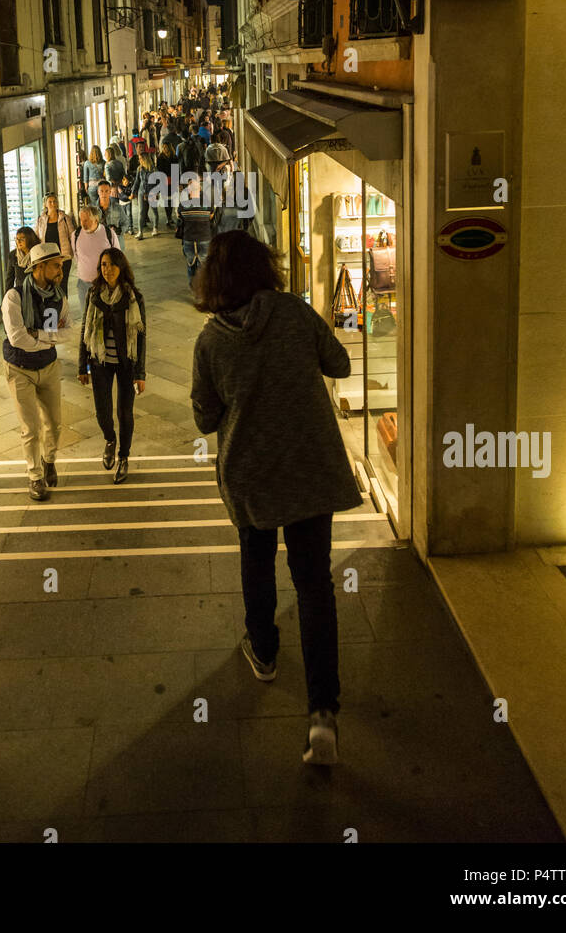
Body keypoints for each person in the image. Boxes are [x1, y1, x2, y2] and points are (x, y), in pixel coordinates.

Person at [190, 231, 364, 767]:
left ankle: (263, 650)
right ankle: (322, 714)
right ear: (264, 268)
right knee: (314, 585)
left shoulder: (211, 341)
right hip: (309, 468)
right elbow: (341, 363)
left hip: (251, 475)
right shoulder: (293, 312)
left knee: (257, 560)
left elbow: (205, 417)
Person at [1, 241, 68, 501]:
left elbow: (68, 332)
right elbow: (17, 338)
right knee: (30, 428)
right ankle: (35, 477)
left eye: (60, 265)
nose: (60, 270)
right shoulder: (14, 297)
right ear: (39, 268)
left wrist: (40, 336)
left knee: (55, 423)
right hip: (19, 368)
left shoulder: (58, 296)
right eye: (55, 266)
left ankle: (48, 459)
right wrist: (49, 339)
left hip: (48, 366)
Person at [78, 248, 146, 485]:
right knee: (103, 412)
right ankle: (110, 439)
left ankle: (123, 457)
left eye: (112, 265)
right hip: (100, 363)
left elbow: (141, 337)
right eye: (104, 265)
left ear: (121, 268)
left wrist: (141, 374)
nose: (107, 270)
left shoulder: (133, 296)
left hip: (126, 363)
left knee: (124, 413)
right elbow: (84, 331)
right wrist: (81, 366)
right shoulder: (93, 294)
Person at [71, 205, 122, 313]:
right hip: (83, 285)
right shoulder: (75, 235)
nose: (82, 224)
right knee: (85, 316)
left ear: (96, 219)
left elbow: (118, 258)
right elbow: (77, 256)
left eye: (86, 220)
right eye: (81, 220)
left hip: (105, 284)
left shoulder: (109, 234)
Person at [176, 173, 217, 288]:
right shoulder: (207, 202)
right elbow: (211, 216)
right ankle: (203, 289)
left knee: (191, 266)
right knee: (204, 267)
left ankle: (194, 288)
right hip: (204, 238)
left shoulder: (183, 205)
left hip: (189, 239)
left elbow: (180, 217)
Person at [35, 193, 75, 297]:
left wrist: (75, 253)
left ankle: (63, 306)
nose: (53, 204)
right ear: (45, 204)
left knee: (62, 283)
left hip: (63, 257)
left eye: (55, 201)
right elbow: (37, 237)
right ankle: (52, 305)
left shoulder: (65, 218)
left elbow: (73, 236)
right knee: (49, 283)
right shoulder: (41, 220)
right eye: (50, 202)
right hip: (47, 258)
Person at [4, 226, 39, 295]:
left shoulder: (38, 252)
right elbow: (10, 279)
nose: (18, 241)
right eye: (17, 239)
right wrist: (7, 296)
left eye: (22, 239)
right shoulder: (13, 255)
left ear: (30, 239)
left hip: (37, 292)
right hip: (20, 292)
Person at [94, 179, 127, 251]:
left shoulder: (118, 207)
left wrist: (119, 230)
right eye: (101, 191)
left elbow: (125, 223)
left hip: (116, 245)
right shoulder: (93, 210)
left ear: (110, 192)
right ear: (98, 192)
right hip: (99, 246)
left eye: (106, 191)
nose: (104, 194)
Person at [130, 151, 157, 239]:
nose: (139, 160)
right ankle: (140, 232)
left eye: (141, 159)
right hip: (141, 192)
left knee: (154, 211)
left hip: (152, 192)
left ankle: (155, 228)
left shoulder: (153, 169)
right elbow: (137, 181)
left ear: (145, 159)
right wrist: (133, 192)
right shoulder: (139, 169)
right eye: (139, 159)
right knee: (141, 212)